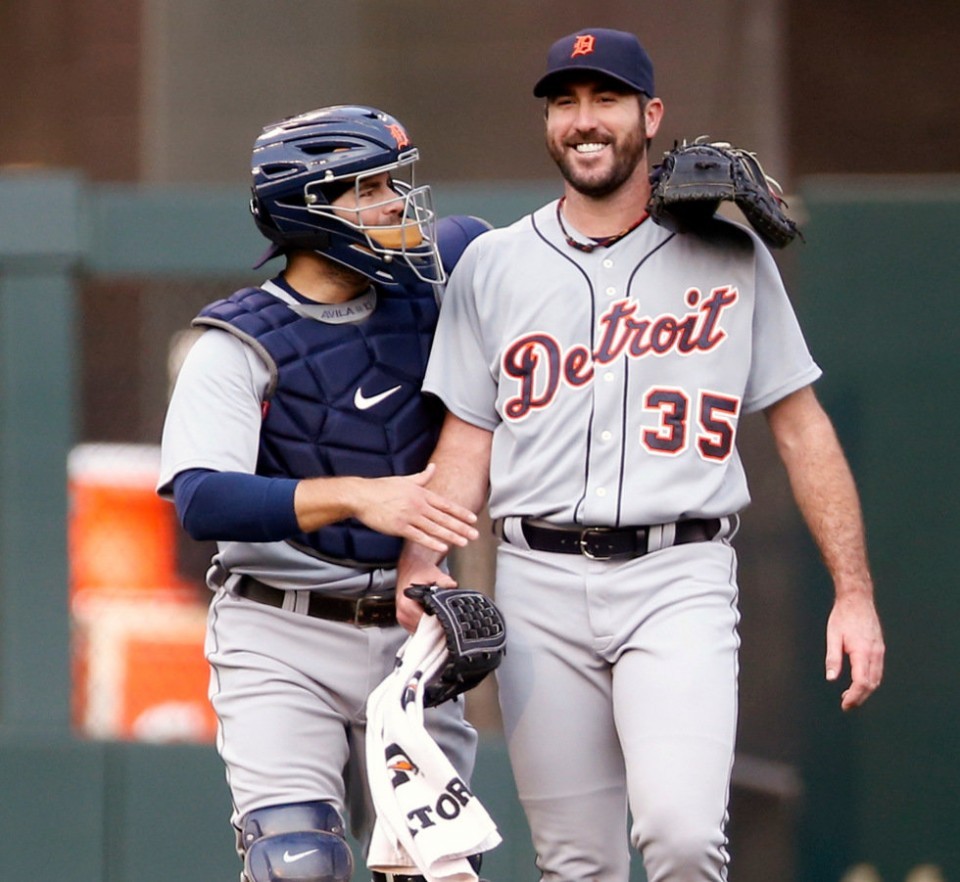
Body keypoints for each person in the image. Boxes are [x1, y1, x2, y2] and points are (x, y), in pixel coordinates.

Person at [396, 28, 885, 882]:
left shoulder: (731, 257)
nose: (584, 121)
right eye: (565, 102)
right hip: (538, 577)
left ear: (650, 116)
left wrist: (854, 593)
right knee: (576, 862)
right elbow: (468, 437)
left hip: (678, 574)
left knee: (684, 837)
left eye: (607, 99)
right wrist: (421, 558)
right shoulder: (493, 266)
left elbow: (802, 427)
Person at [157, 105, 491, 882]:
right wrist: (356, 496)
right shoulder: (234, 341)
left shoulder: (435, 294)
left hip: (416, 634)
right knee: (299, 865)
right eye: (366, 187)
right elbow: (203, 499)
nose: (393, 202)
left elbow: (518, 251)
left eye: (388, 182)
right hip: (282, 628)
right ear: (309, 208)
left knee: (433, 871)